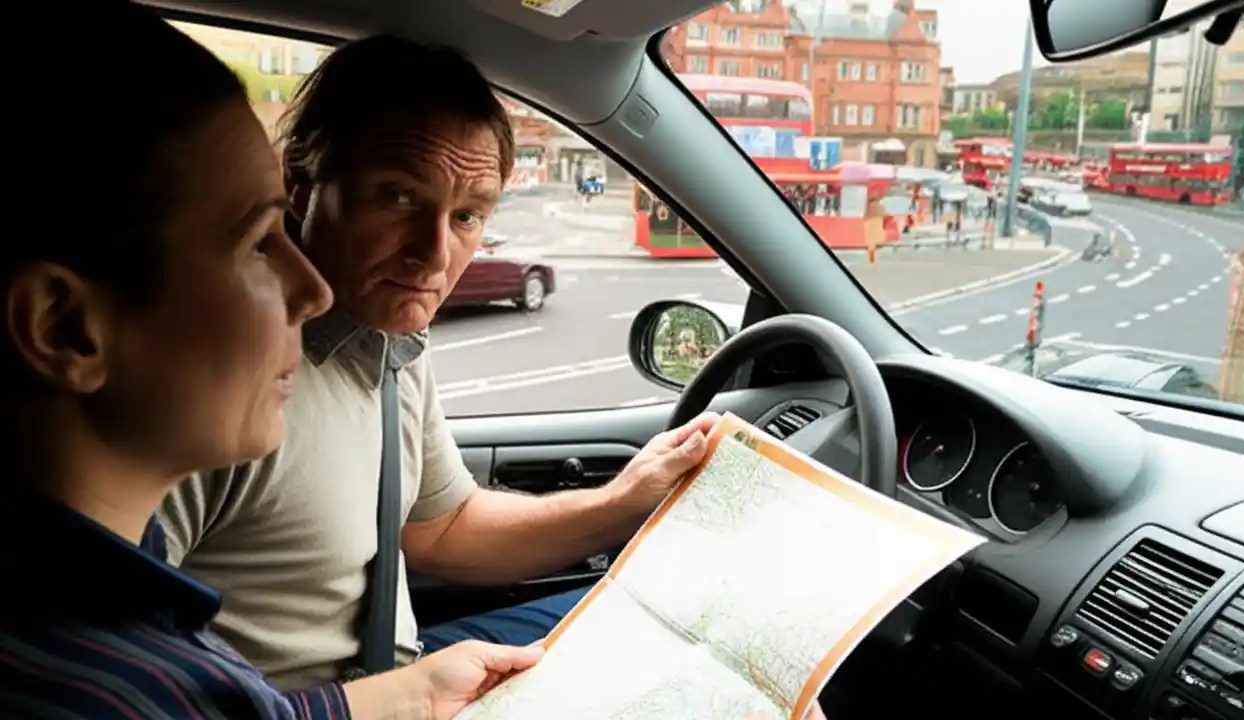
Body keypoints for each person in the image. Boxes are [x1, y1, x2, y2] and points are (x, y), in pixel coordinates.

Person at [0, 4, 542, 718]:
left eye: (469, 216)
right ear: (66, 328)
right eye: (258, 243)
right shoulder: (128, 691)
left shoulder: (122, 620)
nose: (313, 291)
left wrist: (400, 695)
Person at [157, 34, 719, 691]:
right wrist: (395, 700)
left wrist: (625, 501)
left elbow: (440, 527)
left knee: (696, 627)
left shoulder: (390, 342)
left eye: (467, 216)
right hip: (327, 704)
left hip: (405, 668)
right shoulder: (211, 382)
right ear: (300, 189)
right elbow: (115, 676)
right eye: (397, 198)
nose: (433, 255)